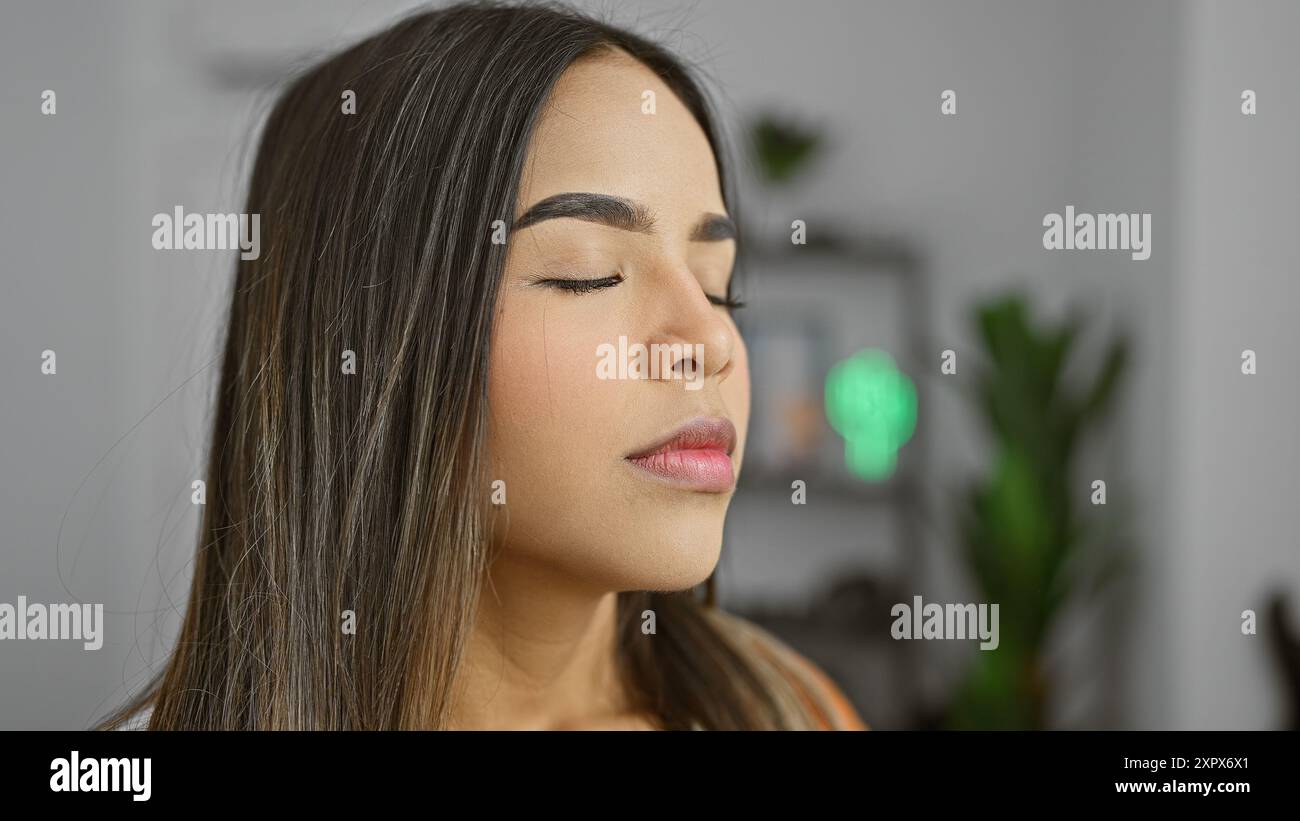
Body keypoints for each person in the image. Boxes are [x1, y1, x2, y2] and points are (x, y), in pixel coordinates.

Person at [100, 1, 865, 731]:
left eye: (719, 285)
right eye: (588, 271)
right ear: (375, 345)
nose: (712, 339)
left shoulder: (791, 708)